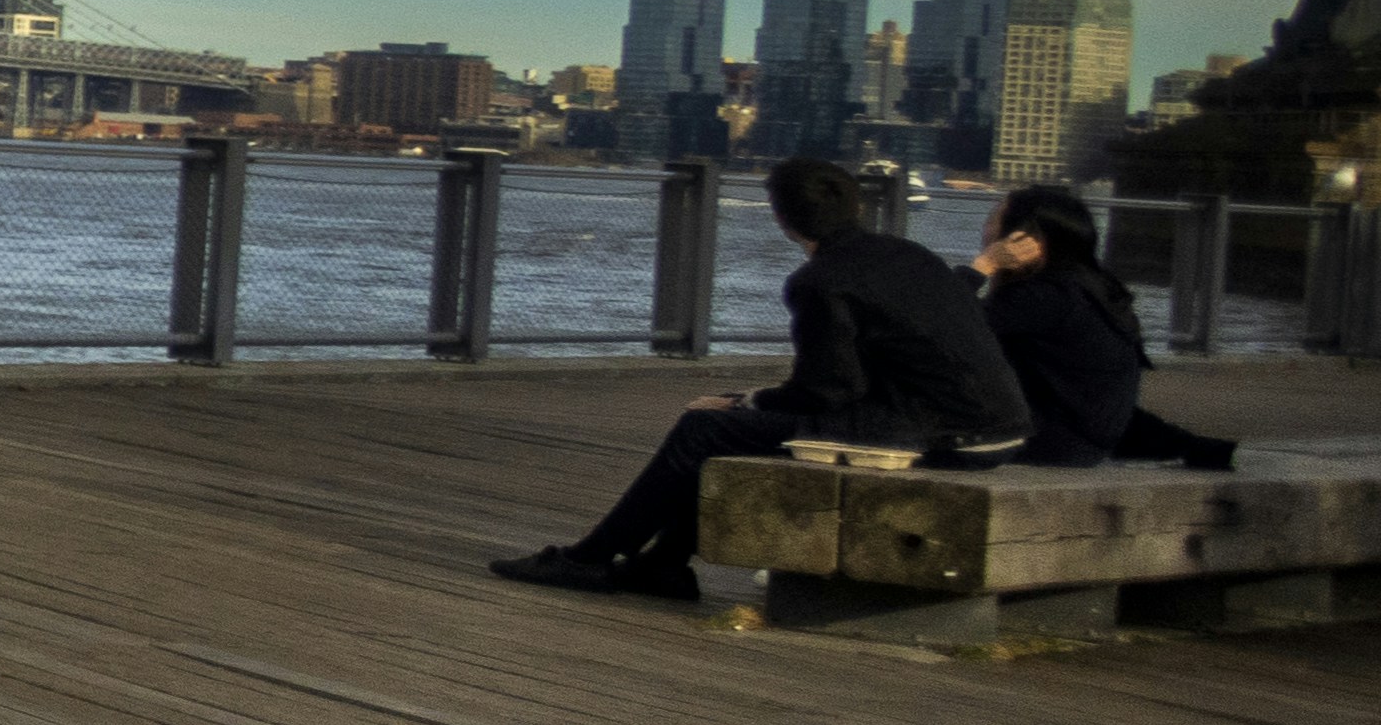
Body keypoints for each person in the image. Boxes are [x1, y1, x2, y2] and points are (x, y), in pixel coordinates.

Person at [491, 157, 1032, 593]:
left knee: (702, 428)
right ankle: (662, 563)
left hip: (944, 436)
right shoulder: (910, 255)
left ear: (782, 219)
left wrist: (746, 400)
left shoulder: (819, 281)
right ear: (853, 206)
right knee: (732, 431)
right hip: (1002, 427)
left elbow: (827, 391)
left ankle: (590, 559)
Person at [977, 182, 1238, 474]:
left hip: (1052, 444)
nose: (985, 228)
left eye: (993, 219)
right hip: (1085, 438)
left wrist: (982, 266)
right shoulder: (1094, 287)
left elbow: (940, 331)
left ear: (1022, 239)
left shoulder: (1041, 296)